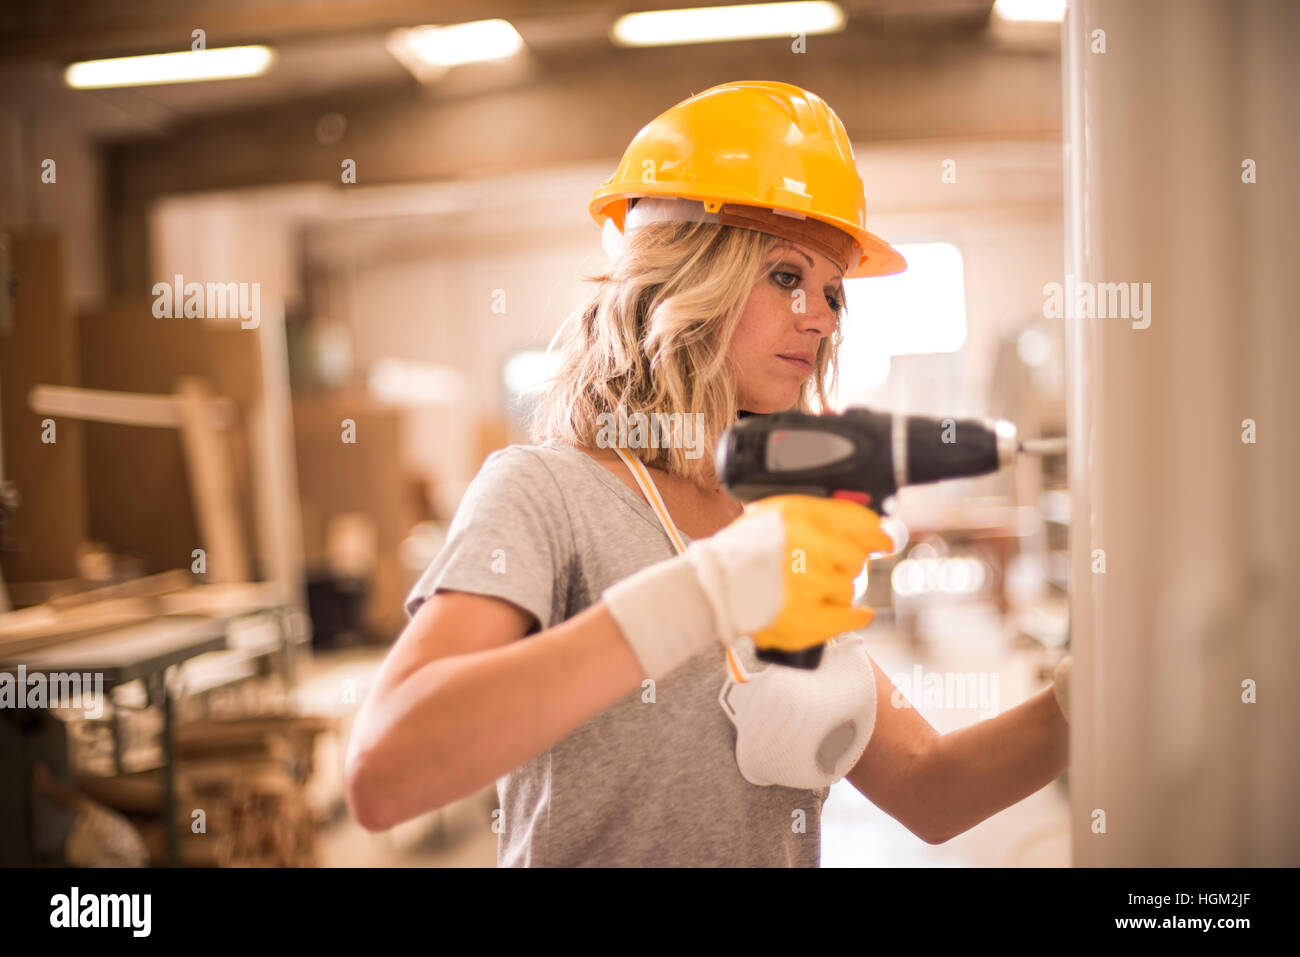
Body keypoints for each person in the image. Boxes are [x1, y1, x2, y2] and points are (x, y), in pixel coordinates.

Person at [344, 80, 1070, 867]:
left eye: (832, 292)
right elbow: (386, 772)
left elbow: (932, 789)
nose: (822, 316)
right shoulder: (543, 494)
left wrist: (1088, 694)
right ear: (684, 279)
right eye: (786, 277)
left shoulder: (781, 521)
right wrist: (700, 596)